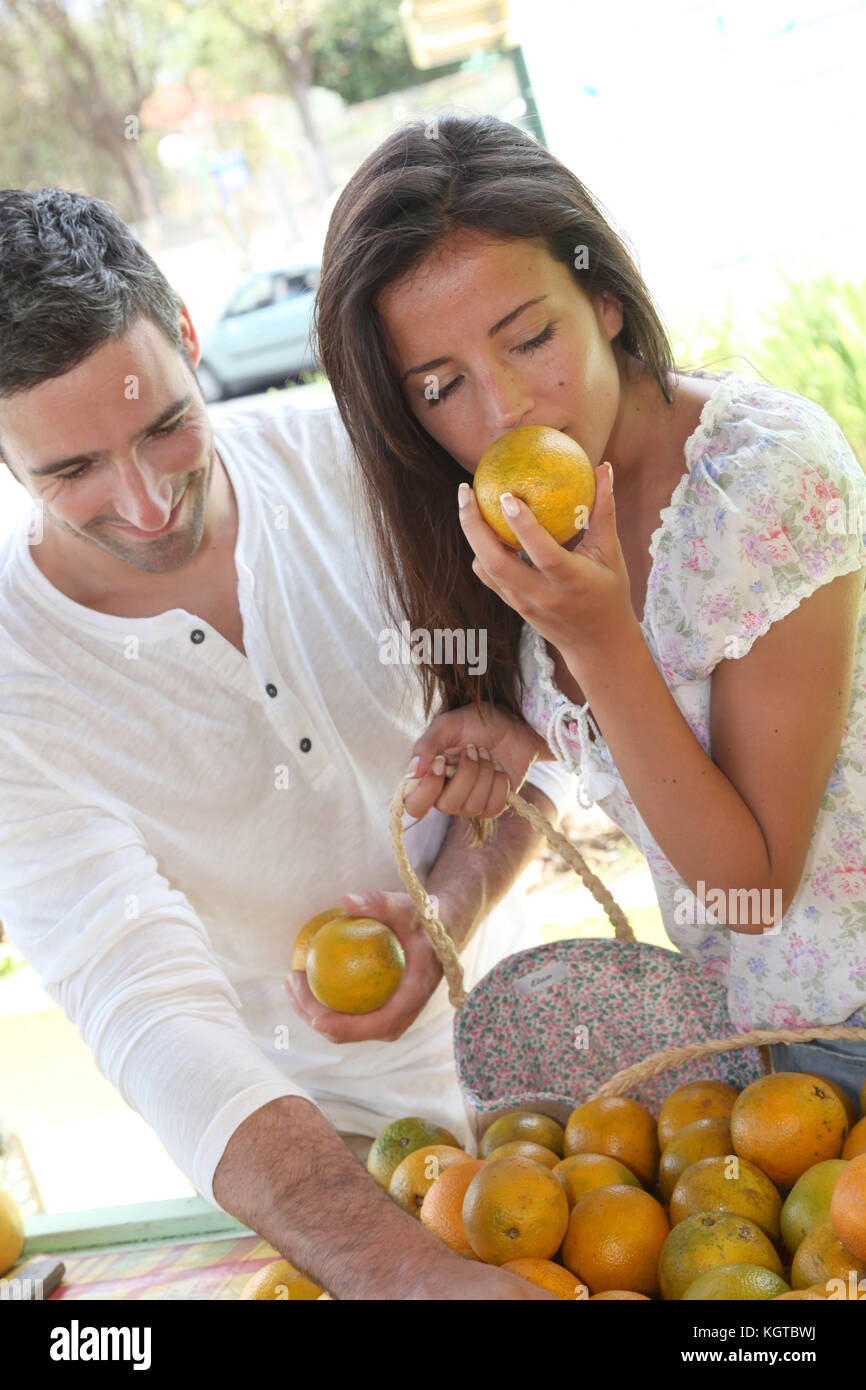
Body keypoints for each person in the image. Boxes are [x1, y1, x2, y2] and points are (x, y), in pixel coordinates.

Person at [0, 187, 579, 1300]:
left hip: (532, 1102)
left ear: (183, 329)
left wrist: (450, 904)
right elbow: (144, 1007)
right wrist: (403, 1276)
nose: (147, 500)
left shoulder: (368, 471)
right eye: (70, 472)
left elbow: (548, 722)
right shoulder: (15, 690)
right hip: (300, 1182)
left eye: (165, 423)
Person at [313, 112, 866, 1109]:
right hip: (759, 1043)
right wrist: (525, 739)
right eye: (441, 387)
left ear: (603, 298)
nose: (504, 410)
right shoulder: (505, 522)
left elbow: (751, 883)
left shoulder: (764, 483)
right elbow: (646, 754)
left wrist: (597, 639)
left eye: (529, 338)